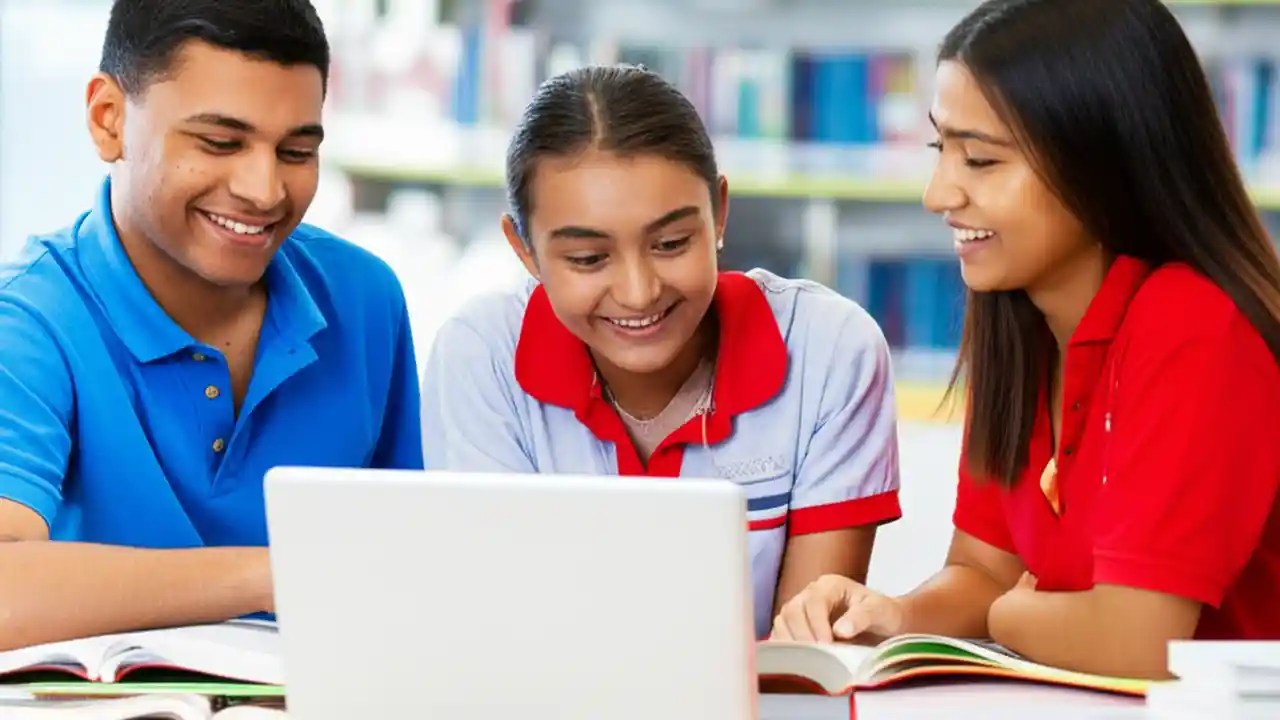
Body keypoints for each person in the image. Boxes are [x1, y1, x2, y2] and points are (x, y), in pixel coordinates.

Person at [772, 0, 1280, 680]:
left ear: (1104, 159)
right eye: (939, 149)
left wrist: (1012, 615)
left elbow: (1140, 643)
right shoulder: (1022, 322)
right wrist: (892, 614)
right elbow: (984, 570)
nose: (938, 193)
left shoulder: (1197, 325)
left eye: (979, 159)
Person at [419, 65, 903, 639]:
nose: (639, 291)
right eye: (587, 259)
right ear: (524, 250)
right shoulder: (481, 358)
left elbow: (805, 654)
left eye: (671, 244)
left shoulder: (832, 352)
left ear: (719, 212)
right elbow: (502, 627)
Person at [0, 0, 423, 651]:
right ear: (108, 119)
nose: (265, 191)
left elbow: (410, 565)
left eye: (296, 150)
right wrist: (271, 576)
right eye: (221, 142)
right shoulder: (29, 319)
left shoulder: (366, 302)